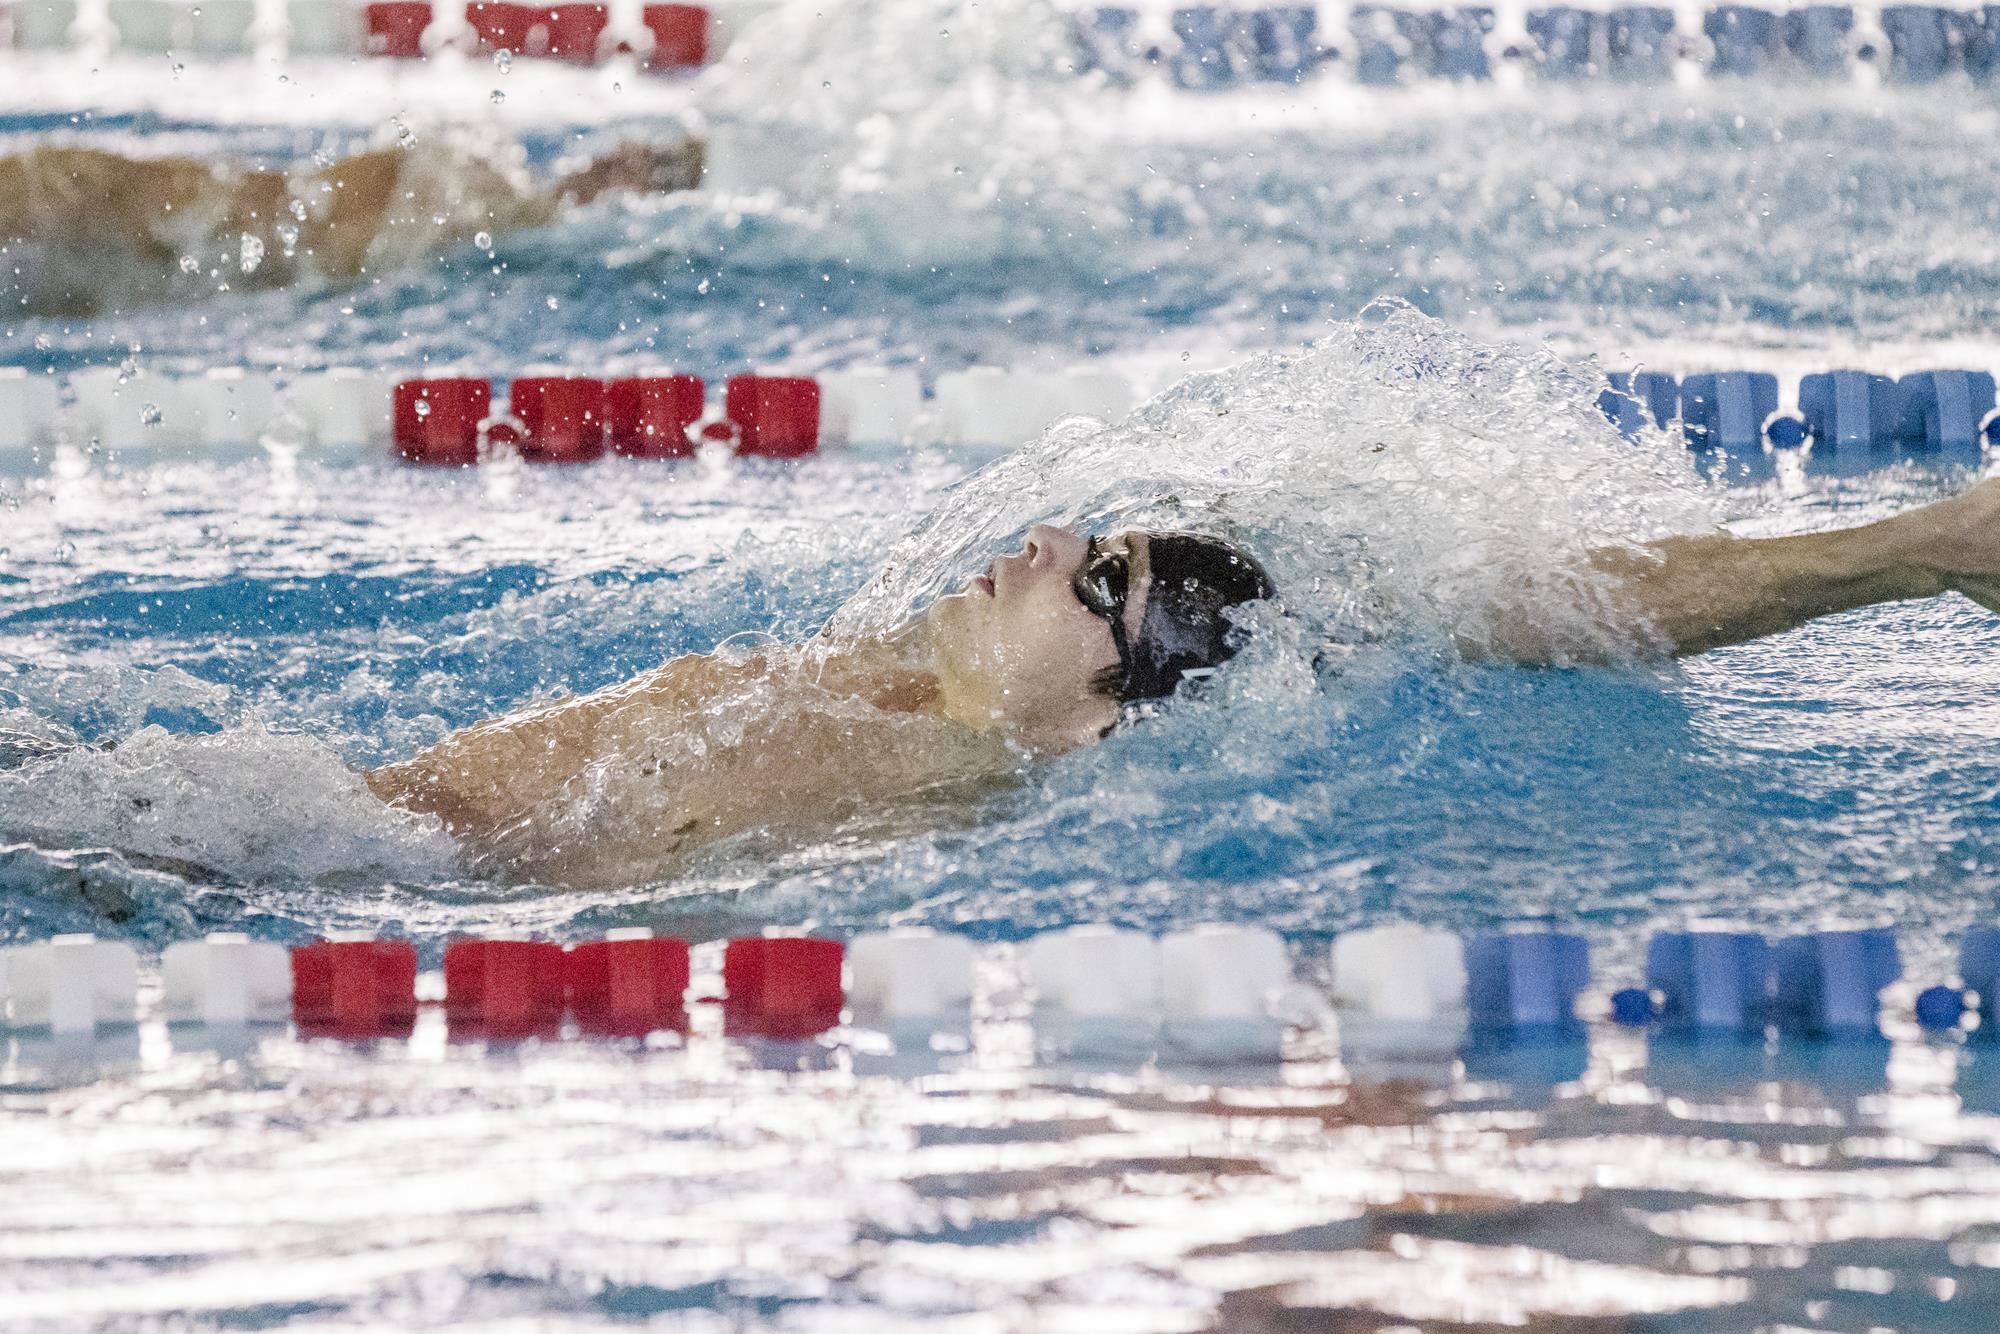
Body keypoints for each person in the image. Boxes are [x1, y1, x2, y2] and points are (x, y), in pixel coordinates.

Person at [365, 477, 2000, 887]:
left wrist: (1913, 548)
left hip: (296, 868)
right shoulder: (921, 688)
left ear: (1098, 721)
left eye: (1099, 585)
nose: (1055, 534)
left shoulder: (897, 779)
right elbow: (1472, 602)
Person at [0, 136, 703, 316]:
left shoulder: (484, 201)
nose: (620, 154)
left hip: (235, 224)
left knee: (57, 191)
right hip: (242, 234)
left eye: (646, 164)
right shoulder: (485, 192)